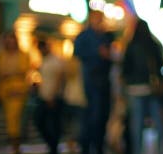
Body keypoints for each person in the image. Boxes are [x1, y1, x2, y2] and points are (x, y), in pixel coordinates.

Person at [122, 19, 163, 154]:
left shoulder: (131, 46)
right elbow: (160, 66)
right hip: (152, 88)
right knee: (158, 122)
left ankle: (137, 150)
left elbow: (125, 69)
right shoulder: (154, 45)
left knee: (137, 123)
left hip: (135, 89)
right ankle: (161, 149)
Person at [74, 10, 114, 154]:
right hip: (90, 82)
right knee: (92, 117)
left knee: (102, 116)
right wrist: (97, 53)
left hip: (103, 82)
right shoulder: (85, 37)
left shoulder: (105, 37)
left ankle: (98, 145)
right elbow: (77, 53)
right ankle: (88, 145)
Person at [0, 31, 31, 154]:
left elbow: (24, 71)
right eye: (8, 39)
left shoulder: (23, 55)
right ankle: (14, 146)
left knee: (15, 118)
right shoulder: (1, 55)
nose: (10, 41)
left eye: (12, 39)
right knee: (10, 119)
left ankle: (16, 145)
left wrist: (10, 75)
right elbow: (0, 73)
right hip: (6, 91)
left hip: (19, 91)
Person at [35, 38, 65, 154]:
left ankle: (54, 148)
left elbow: (59, 78)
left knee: (54, 124)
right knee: (40, 121)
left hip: (54, 98)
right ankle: (52, 145)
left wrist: (53, 95)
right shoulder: (44, 61)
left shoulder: (55, 61)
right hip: (44, 97)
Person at [63, 55, 87, 153]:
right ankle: (75, 147)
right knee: (78, 126)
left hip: (71, 98)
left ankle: (72, 146)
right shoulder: (83, 64)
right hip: (79, 99)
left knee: (72, 126)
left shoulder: (71, 63)